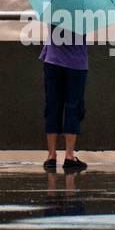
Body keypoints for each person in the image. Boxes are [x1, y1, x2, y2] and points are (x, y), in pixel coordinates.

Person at [41, 23, 88, 171]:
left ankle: (51, 156)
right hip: (76, 64)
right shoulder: (86, 10)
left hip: (53, 61)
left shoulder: (52, 4)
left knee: (52, 107)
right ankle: (69, 155)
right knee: (73, 107)